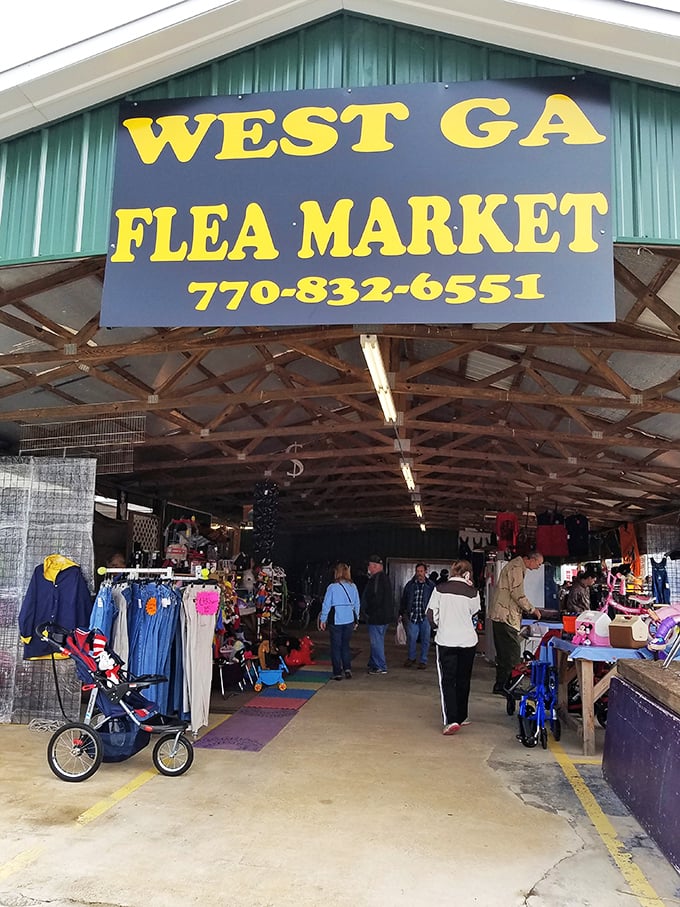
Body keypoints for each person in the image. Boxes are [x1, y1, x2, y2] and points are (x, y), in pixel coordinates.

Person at [427, 559, 480, 735]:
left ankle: (451, 720)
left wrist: (439, 626)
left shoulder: (439, 589)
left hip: (446, 640)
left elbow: (430, 614)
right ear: (468, 573)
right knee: (463, 679)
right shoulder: (473, 592)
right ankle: (462, 715)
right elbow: (475, 612)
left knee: (448, 681)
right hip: (468, 641)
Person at [488, 550, 543, 694]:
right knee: (512, 653)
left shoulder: (515, 566)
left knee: (503, 654)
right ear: (530, 559)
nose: (538, 566)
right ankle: (511, 687)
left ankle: (501, 685)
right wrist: (532, 609)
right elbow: (517, 594)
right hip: (506, 616)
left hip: (502, 615)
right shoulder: (516, 567)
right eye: (538, 563)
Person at [319, 562, 361, 680]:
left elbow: (326, 604)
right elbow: (357, 603)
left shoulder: (332, 587)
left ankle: (337, 672)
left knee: (336, 647)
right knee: (345, 645)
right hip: (349, 620)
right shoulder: (353, 586)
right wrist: (356, 619)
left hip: (336, 620)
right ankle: (347, 669)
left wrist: (323, 619)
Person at [361, 554, 393, 675]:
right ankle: (374, 664)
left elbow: (376, 598)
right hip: (383, 617)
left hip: (377, 617)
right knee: (377, 641)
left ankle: (380, 666)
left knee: (376, 642)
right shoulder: (384, 578)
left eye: (369, 565)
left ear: (374, 566)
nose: (368, 568)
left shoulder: (377, 579)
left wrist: (368, 612)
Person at [400, 562, 435, 669]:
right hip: (413, 615)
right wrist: (401, 613)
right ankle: (411, 658)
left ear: (425, 572)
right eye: (417, 571)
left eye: (421, 571)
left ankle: (423, 660)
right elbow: (404, 599)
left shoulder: (431, 586)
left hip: (425, 617)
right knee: (412, 638)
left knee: (425, 639)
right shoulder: (410, 585)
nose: (419, 573)